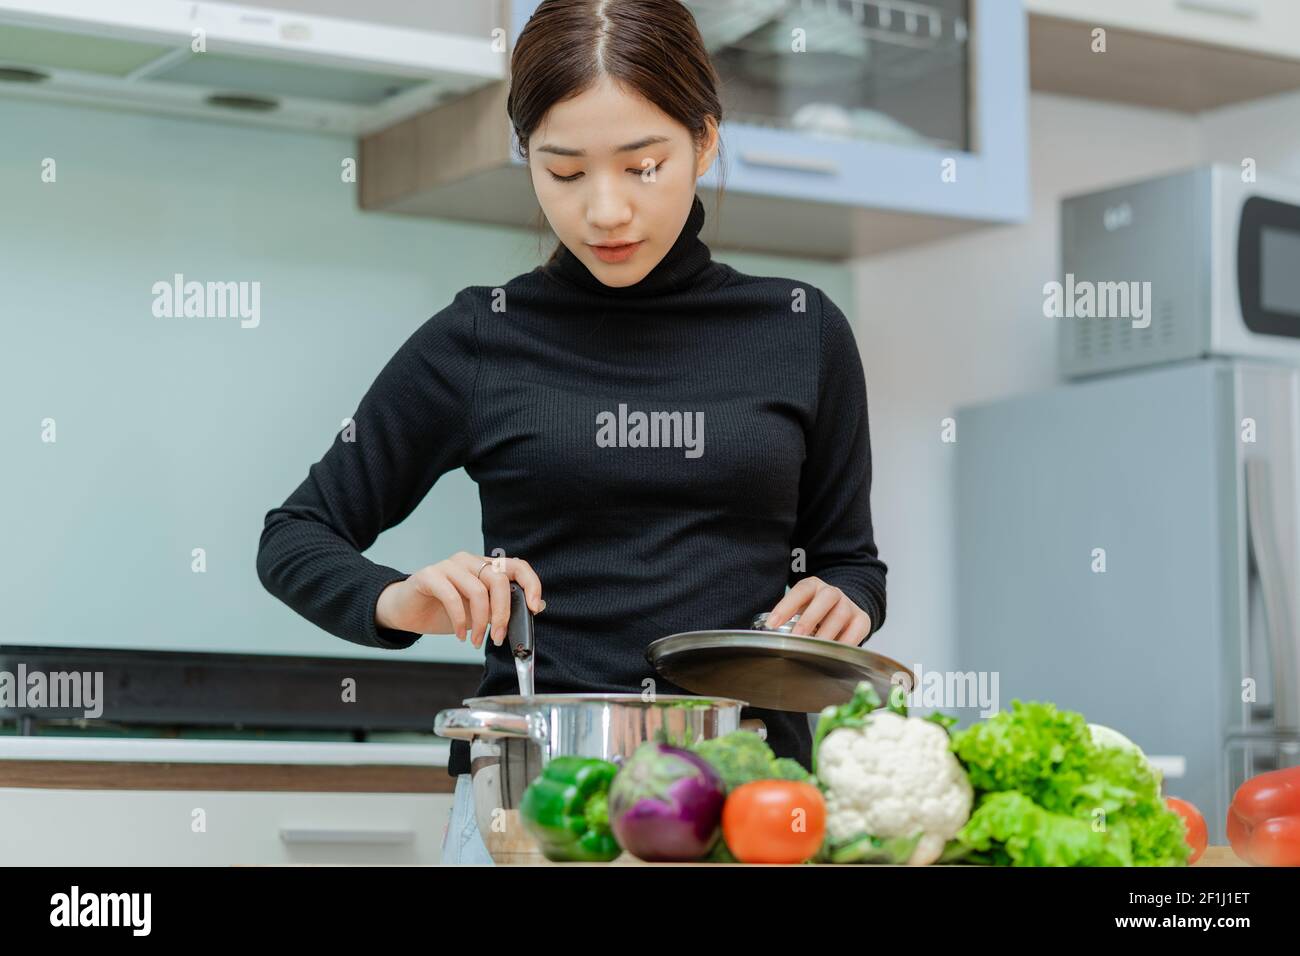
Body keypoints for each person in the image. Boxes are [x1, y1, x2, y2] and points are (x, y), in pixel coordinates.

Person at [256, 0, 888, 867]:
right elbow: (294, 535)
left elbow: (850, 560)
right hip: (536, 804)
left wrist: (845, 599)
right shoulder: (480, 338)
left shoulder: (800, 330)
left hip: (754, 802)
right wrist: (402, 600)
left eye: (642, 165)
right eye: (563, 172)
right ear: (529, 163)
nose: (605, 211)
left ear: (705, 142)